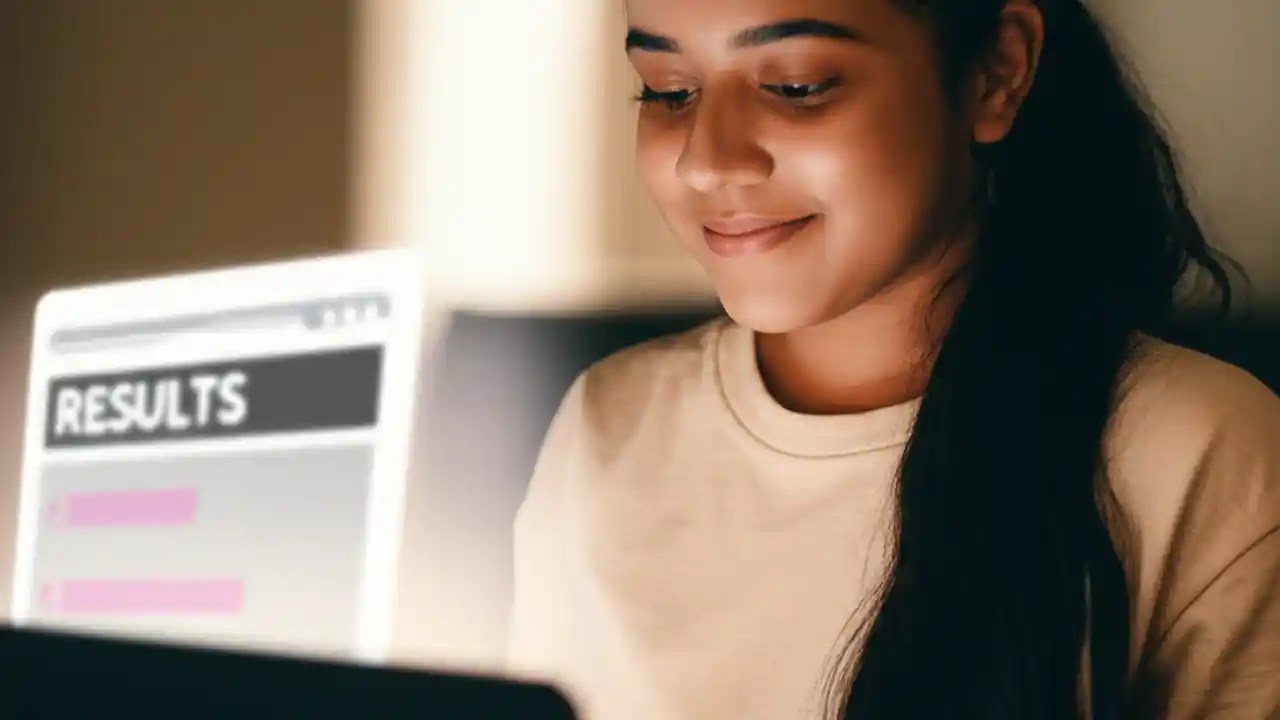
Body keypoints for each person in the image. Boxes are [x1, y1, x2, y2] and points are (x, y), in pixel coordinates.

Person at [505, 1, 1280, 718]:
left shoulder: (1200, 450)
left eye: (796, 85)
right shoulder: (610, 425)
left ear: (997, 73)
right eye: (669, 90)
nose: (706, 162)